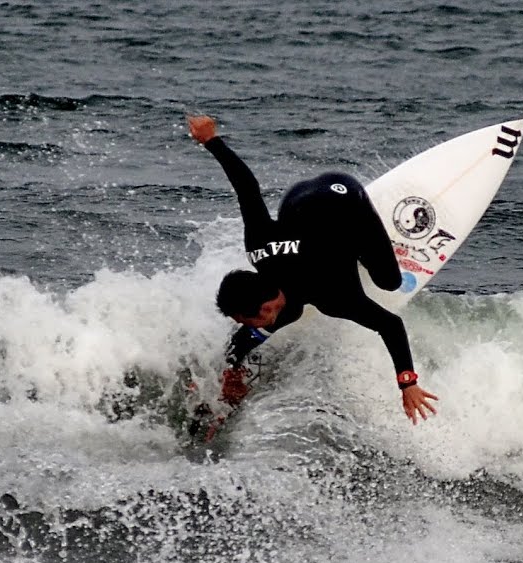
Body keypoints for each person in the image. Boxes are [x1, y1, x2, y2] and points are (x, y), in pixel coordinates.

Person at [186, 114, 439, 425]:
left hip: (347, 199)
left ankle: (374, 241)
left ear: (266, 307)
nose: (246, 326)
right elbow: (247, 189)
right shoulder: (259, 247)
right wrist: (211, 140)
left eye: (247, 318)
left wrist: (408, 384)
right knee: (288, 313)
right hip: (297, 198)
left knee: (388, 281)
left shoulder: (332, 295)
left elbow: (390, 325)